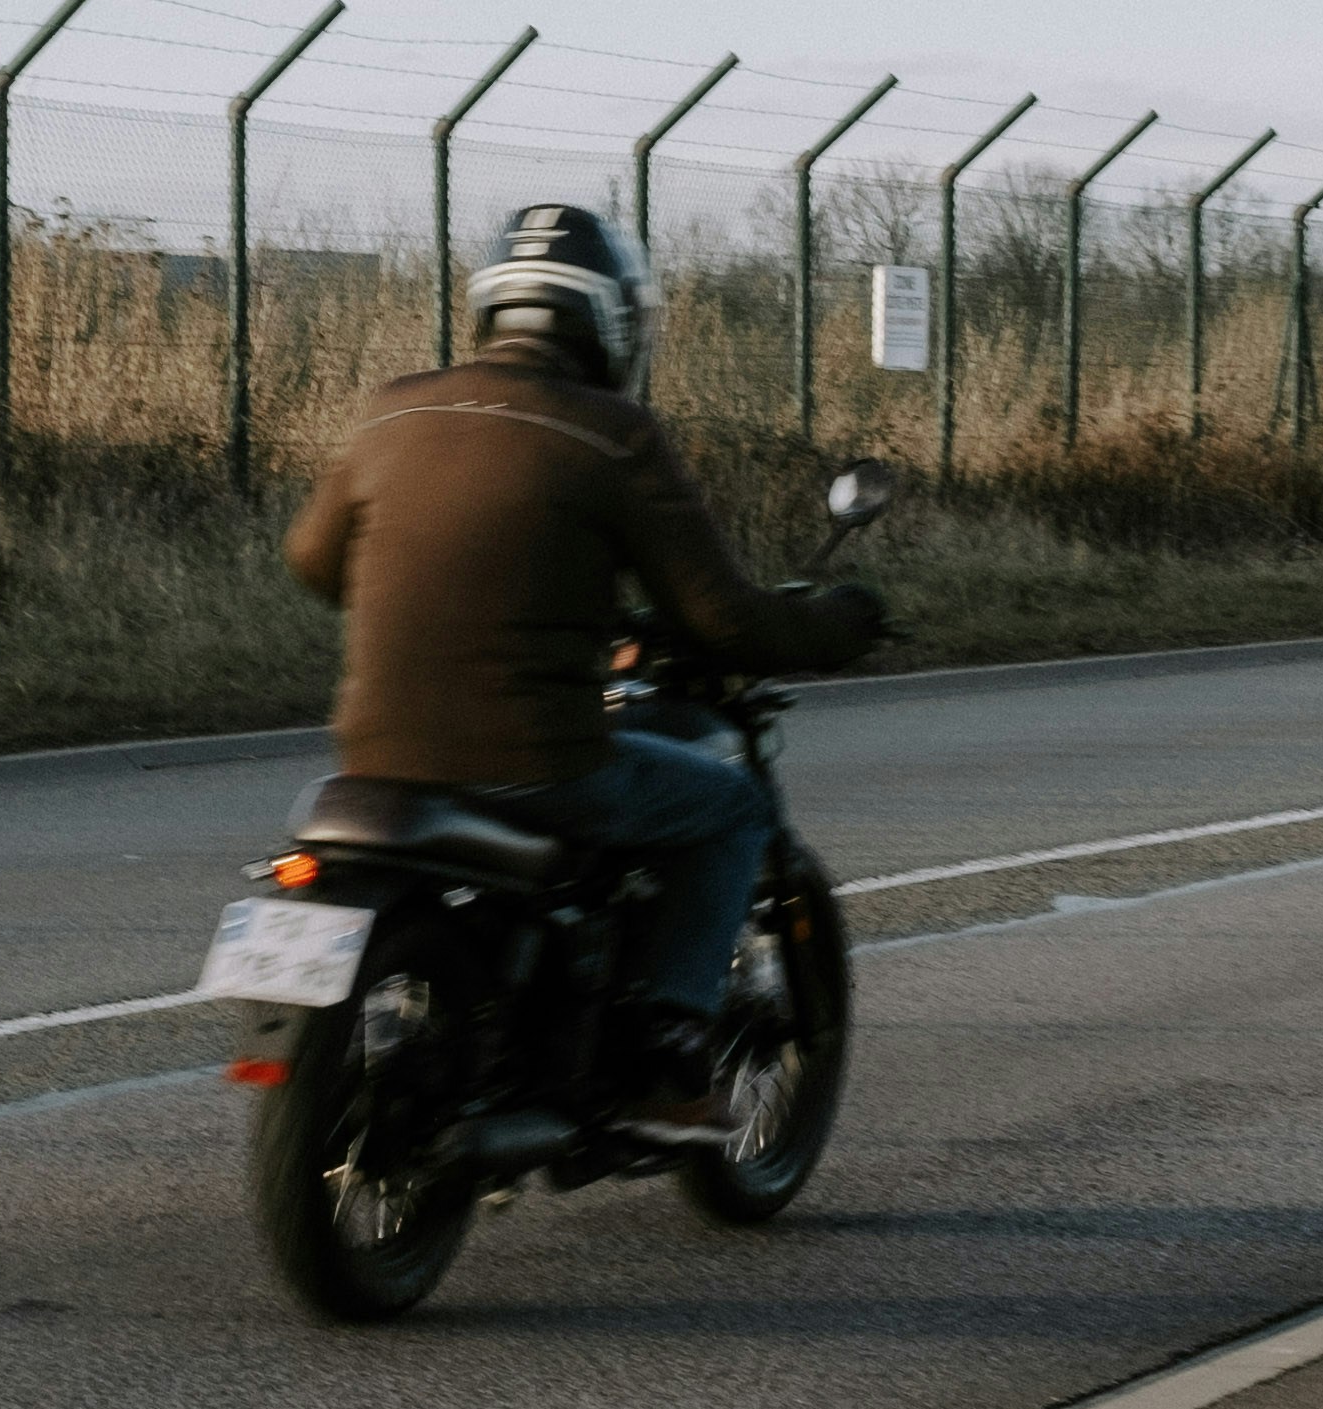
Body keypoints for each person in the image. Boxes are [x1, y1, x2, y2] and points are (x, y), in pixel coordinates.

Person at [282, 202, 887, 1140]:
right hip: (534, 759)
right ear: (610, 321)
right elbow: (721, 619)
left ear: (491, 310)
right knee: (731, 809)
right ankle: (669, 1058)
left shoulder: (390, 409)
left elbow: (316, 565)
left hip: (372, 757)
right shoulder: (612, 433)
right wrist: (838, 622)